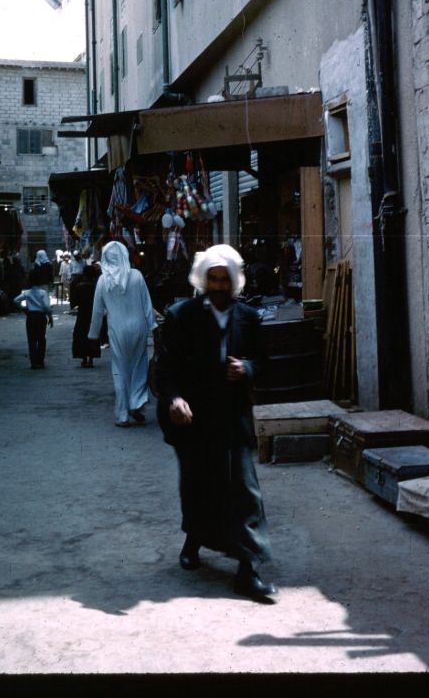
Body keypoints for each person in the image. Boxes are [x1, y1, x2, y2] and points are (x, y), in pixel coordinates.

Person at [155, 243, 277, 602]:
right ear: (204, 280)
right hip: (193, 420)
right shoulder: (182, 316)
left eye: (226, 280)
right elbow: (164, 370)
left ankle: (248, 569)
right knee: (197, 485)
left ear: (234, 282)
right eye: (214, 279)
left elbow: (266, 363)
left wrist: (248, 368)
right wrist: (175, 398)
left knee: (244, 490)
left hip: (233, 418)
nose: (220, 286)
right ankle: (194, 540)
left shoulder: (249, 318)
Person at [88, 241, 156, 427]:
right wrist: (153, 326)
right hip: (139, 327)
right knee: (138, 366)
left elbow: (96, 311)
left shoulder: (103, 280)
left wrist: (93, 335)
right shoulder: (136, 276)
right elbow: (146, 304)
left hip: (117, 329)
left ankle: (122, 415)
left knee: (120, 370)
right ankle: (136, 403)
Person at [13, 284, 53, 369]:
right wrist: (50, 316)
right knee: (41, 339)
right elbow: (46, 306)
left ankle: (33, 362)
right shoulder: (43, 292)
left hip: (31, 316)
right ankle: (40, 361)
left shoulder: (27, 293)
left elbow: (16, 300)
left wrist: (24, 308)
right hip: (41, 316)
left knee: (31, 339)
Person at [71, 264, 101, 368]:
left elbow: (74, 302)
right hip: (93, 313)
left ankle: (84, 358)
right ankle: (91, 358)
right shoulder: (96, 287)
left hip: (82, 314)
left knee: (81, 334)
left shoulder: (79, 287)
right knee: (92, 334)